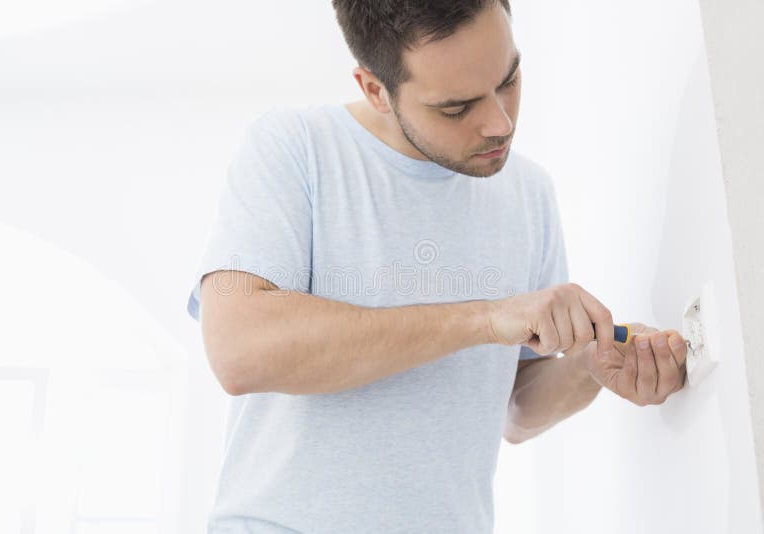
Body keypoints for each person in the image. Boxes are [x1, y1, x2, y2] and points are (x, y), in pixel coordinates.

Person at [185, 1, 689, 532]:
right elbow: (241, 350)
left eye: (510, 79)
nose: (500, 123)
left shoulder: (529, 193)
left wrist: (589, 367)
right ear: (375, 89)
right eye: (456, 108)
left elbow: (514, 409)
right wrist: (487, 319)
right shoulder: (294, 148)